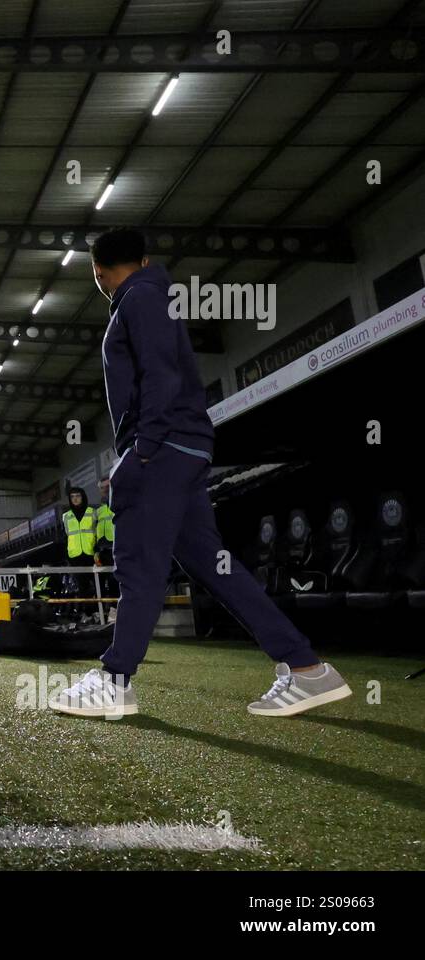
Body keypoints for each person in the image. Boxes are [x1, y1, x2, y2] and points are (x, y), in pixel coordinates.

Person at [49, 227, 350, 718]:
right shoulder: (152, 295)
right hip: (183, 450)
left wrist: (140, 452)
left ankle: (115, 679)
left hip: (161, 450)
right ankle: (306, 668)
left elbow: (159, 378)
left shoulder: (138, 301)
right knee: (215, 566)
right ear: (143, 260)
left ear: (98, 272)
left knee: (140, 565)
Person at [61, 485, 98, 615]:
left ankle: (101, 611)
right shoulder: (66, 516)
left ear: (83, 497)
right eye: (72, 497)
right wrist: (67, 555)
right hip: (75, 556)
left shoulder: (92, 512)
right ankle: (89, 613)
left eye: (78, 496)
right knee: (82, 587)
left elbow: (97, 532)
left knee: (97, 583)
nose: (75, 499)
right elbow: (65, 536)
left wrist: (97, 549)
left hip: (91, 553)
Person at [94, 477, 117, 619]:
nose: (106, 489)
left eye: (108, 486)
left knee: (117, 579)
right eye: (103, 488)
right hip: (103, 550)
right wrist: (96, 550)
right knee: (104, 581)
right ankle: (109, 611)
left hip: (118, 546)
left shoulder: (119, 502)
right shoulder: (99, 511)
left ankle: (116, 609)